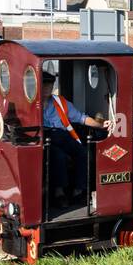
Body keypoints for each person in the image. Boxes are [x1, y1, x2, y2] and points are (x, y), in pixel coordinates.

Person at [41, 71, 108, 205]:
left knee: (83, 153)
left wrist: (100, 125)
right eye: (45, 84)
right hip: (44, 138)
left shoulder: (60, 102)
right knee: (58, 156)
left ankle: (79, 191)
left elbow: (81, 118)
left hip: (62, 136)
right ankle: (59, 193)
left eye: (50, 84)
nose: (48, 87)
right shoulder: (32, 104)